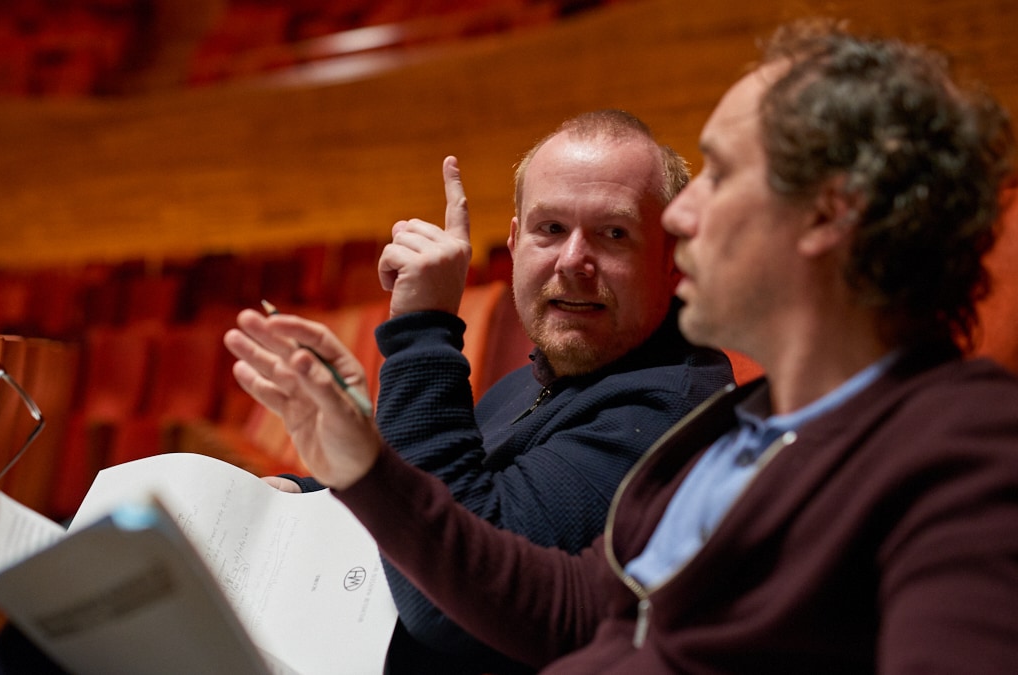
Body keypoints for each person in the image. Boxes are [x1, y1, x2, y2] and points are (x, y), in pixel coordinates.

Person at [227, 18, 1018, 674]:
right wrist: (362, 469)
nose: (678, 219)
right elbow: (575, 607)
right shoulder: (749, 425)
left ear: (827, 216)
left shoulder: (964, 448)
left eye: (721, 172)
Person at [228, 110, 733, 673]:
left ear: (675, 261)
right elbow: (432, 491)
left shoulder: (672, 413)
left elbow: (448, 604)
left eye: (614, 234)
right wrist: (304, 493)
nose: (573, 262)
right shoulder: (541, 378)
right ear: (515, 243)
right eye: (551, 229)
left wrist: (422, 332)